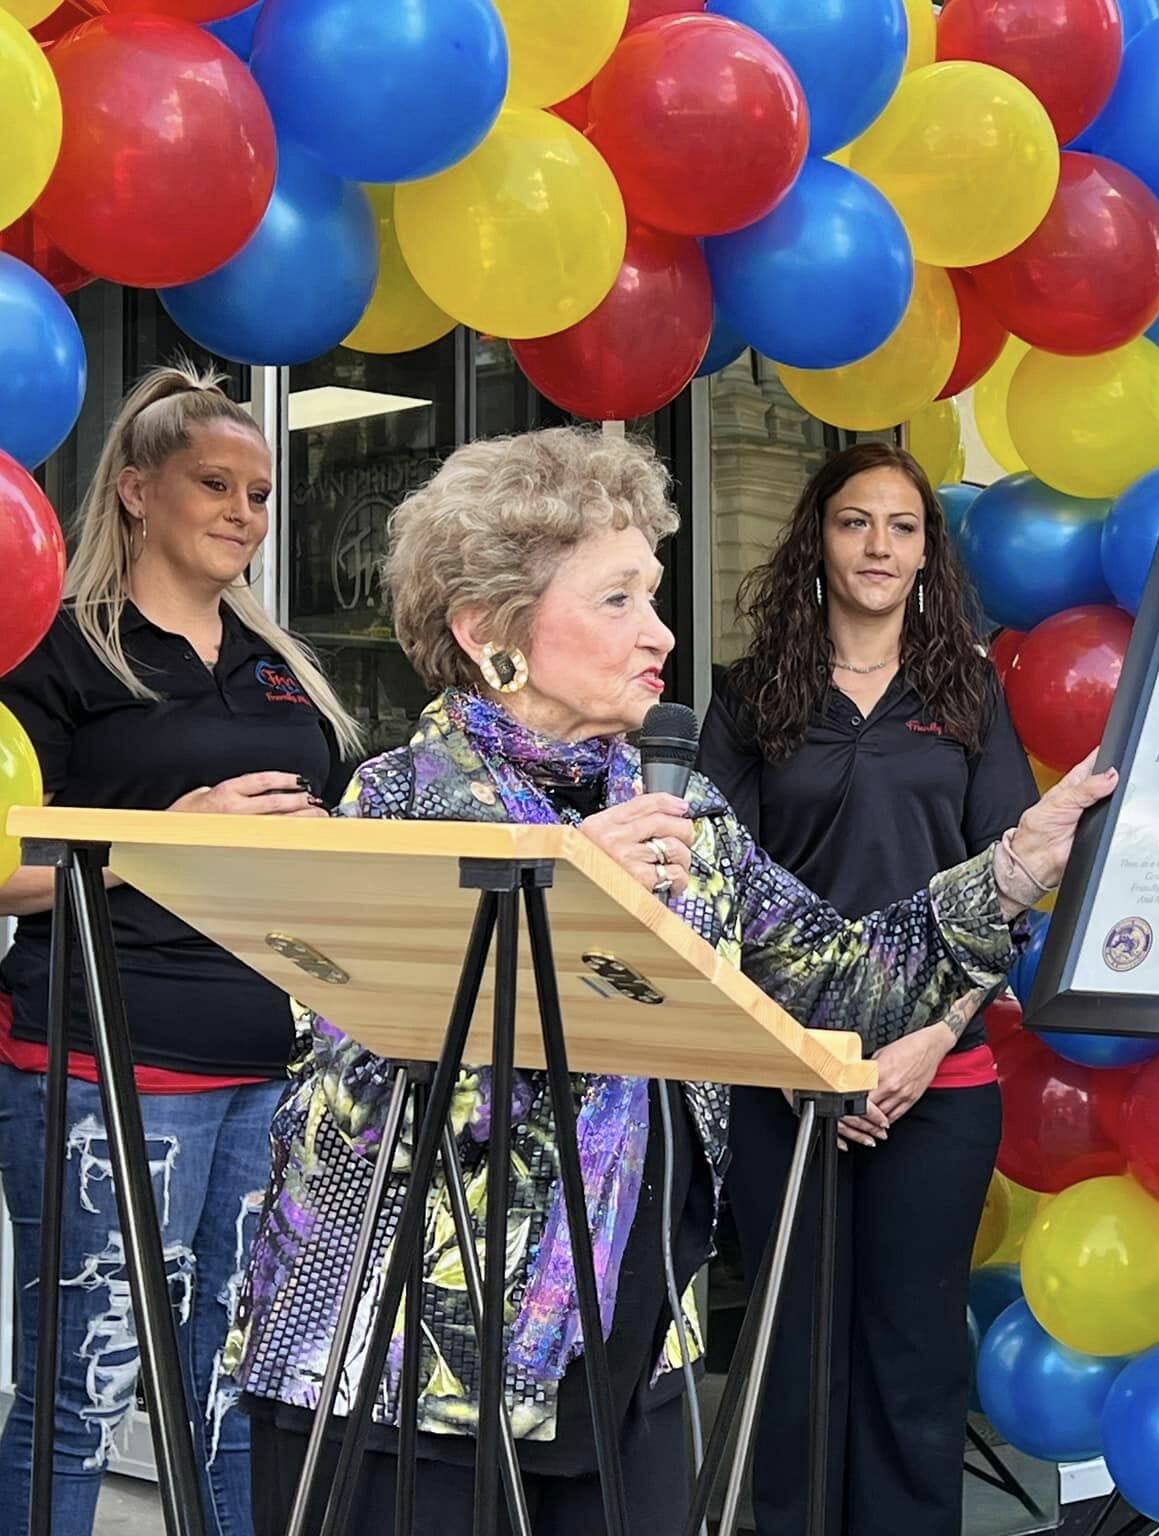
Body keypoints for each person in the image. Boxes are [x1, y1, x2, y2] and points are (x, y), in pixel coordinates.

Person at [228, 427, 1112, 1532]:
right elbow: (360, 1099)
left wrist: (1019, 864)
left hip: (627, 1355)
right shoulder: (395, 804)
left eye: (653, 594)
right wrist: (555, 898)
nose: (661, 632)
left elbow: (844, 982)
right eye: (617, 600)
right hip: (412, 1376)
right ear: (489, 631)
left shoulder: (682, 814)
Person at [0, 363, 359, 1536]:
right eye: (215, 484)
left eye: (259, 495)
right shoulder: (59, 653)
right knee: (82, 1391)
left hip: (268, 1063)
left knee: (231, 1392)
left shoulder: (280, 667)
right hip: (107, 1062)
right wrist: (162, 838)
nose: (244, 515)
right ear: (135, 489)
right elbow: (3, 870)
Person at [698, 443, 1035, 1536]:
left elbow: (1008, 885)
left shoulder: (969, 693)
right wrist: (800, 1059)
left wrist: (931, 1038)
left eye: (903, 526)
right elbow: (712, 886)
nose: (879, 546)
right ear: (818, 540)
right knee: (791, 1356)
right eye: (856, 522)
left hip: (937, 1077)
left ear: (929, 552)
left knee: (913, 1362)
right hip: (781, 1078)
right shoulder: (750, 695)